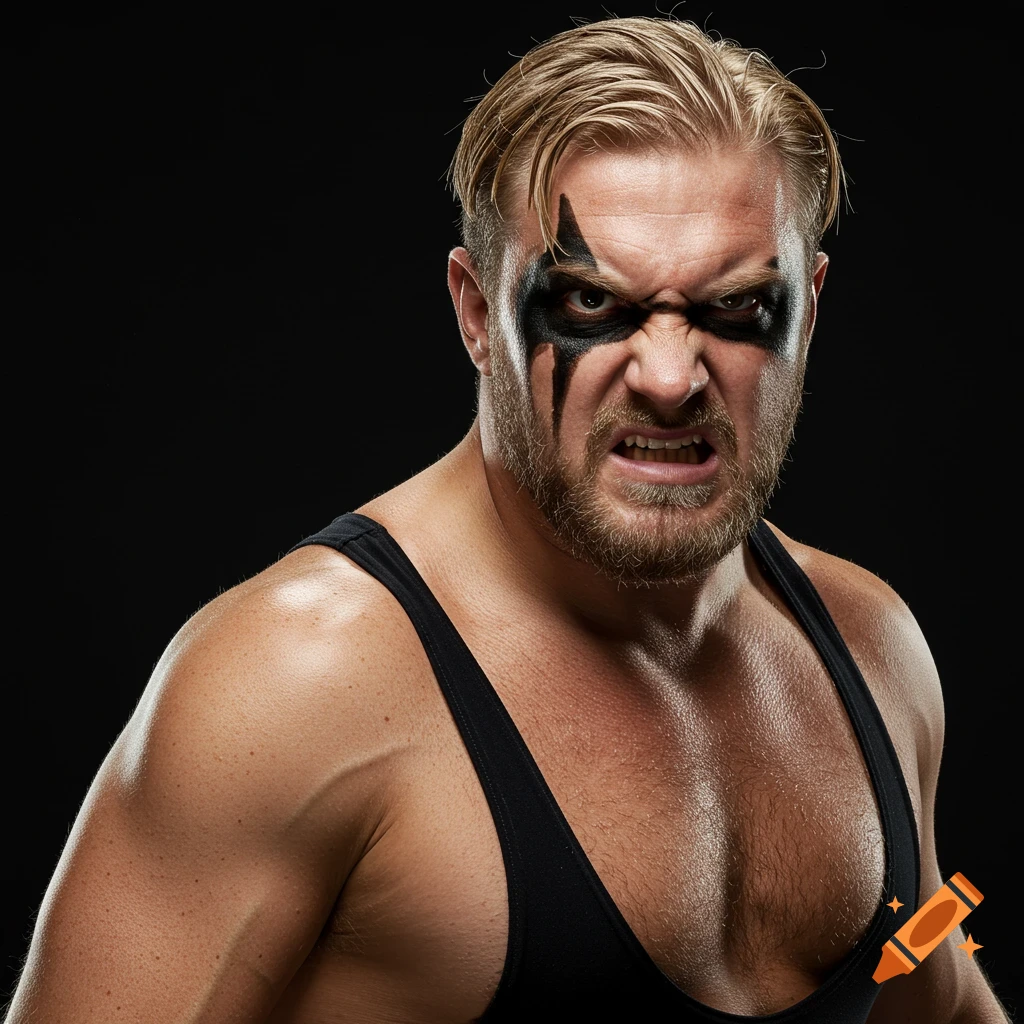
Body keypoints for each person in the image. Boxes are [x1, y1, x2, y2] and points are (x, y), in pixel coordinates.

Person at [4, 16, 1008, 1024]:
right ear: (477, 312)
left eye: (735, 307)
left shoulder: (870, 650)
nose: (668, 378)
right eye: (585, 303)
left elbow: (936, 998)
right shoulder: (293, 689)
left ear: (809, 311)